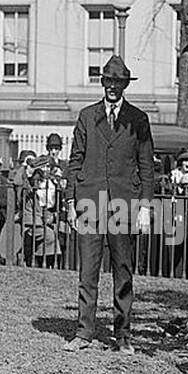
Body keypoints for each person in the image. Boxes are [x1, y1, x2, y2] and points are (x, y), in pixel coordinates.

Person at [63, 54, 154, 352]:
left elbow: (146, 167)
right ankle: (84, 332)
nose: (112, 86)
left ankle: (123, 336)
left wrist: (145, 208)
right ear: (102, 82)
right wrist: (69, 202)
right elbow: (75, 160)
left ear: (125, 85)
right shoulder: (87, 116)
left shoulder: (138, 119)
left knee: (122, 271)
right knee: (87, 271)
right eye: (108, 81)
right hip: (89, 202)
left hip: (124, 205)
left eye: (118, 82)